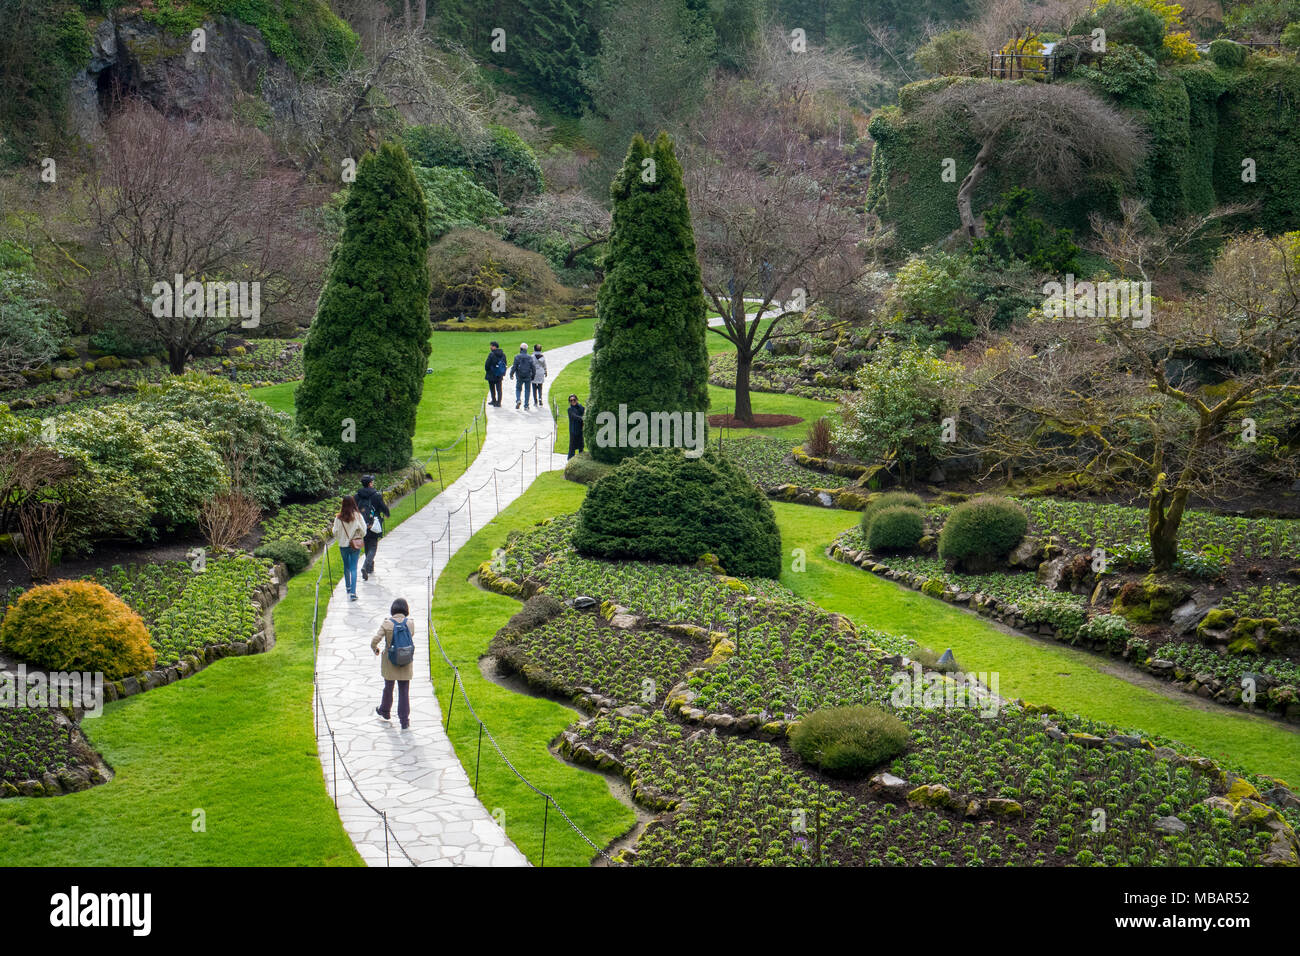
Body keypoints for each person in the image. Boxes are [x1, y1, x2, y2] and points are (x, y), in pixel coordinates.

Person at [371, 597, 414, 730]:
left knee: (388, 687)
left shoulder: (387, 623)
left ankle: (385, 711)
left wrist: (376, 649)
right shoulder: (410, 623)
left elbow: (375, 640)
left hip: (390, 659)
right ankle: (404, 720)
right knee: (404, 690)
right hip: (406, 659)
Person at [331, 495, 367, 601]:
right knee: (353, 568)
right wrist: (358, 534)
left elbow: (334, 532)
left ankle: (348, 587)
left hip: (343, 545)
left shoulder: (338, 518)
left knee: (346, 566)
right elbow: (364, 530)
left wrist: (341, 538)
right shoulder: (357, 516)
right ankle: (353, 593)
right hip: (355, 544)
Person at [356, 475, 390, 581]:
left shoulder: (357, 496)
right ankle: (366, 566)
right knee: (373, 546)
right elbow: (383, 507)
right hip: (374, 523)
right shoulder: (376, 495)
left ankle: (370, 568)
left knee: (366, 544)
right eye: (372, 481)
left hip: (362, 524)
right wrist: (387, 513)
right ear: (370, 484)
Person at [509, 342, 535, 409]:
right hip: (528, 376)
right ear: (526, 349)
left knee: (518, 389)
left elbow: (514, 367)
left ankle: (518, 400)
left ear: (520, 349)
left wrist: (511, 374)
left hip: (519, 375)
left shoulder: (517, 357)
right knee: (527, 390)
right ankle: (526, 405)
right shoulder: (530, 357)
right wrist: (533, 376)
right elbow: (533, 367)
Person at [484, 341, 507, 407]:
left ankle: (494, 400)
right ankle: (499, 402)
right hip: (499, 374)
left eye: (491, 345)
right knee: (499, 389)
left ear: (494, 346)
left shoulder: (491, 354)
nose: (490, 347)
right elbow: (505, 364)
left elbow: (487, 364)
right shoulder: (503, 354)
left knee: (492, 388)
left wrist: (487, 370)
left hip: (491, 374)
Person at [567, 393, 585, 459]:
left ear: (577, 400)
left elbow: (584, 411)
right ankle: (570, 460)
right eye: (571, 400)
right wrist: (583, 418)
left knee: (581, 446)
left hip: (580, 430)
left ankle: (581, 459)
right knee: (572, 447)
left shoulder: (580, 407)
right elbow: (574, 417)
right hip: (573, 430)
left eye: (574, 400)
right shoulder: (570, 409)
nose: (573, 401)